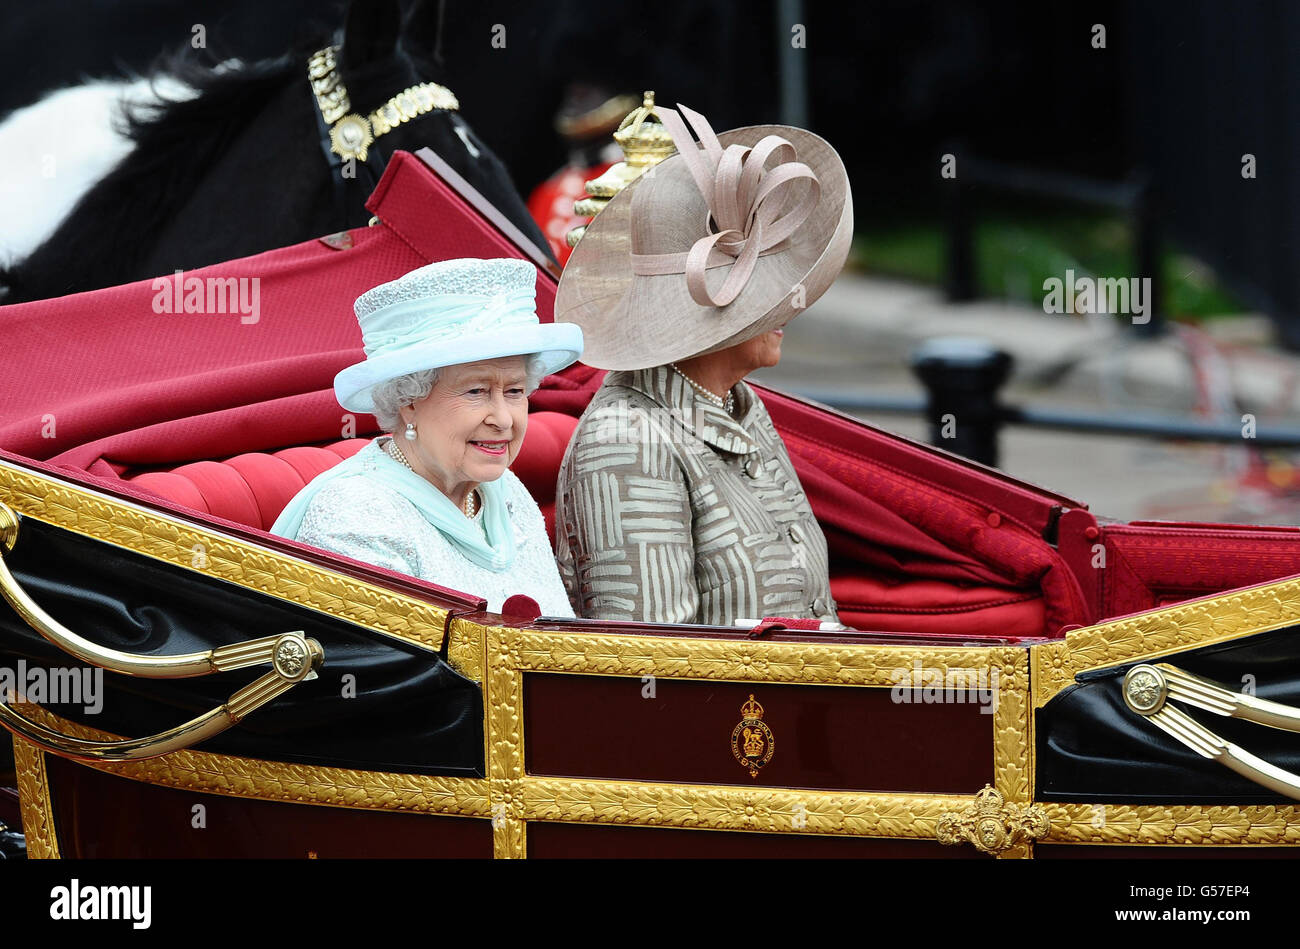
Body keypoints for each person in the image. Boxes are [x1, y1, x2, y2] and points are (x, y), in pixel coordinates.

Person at [552, 104, 853, 627]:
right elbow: (656, 663)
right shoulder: (627, 439)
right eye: (762, 291)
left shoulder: (741, 405)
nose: (788, 305)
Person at [272, 257, 583, 616]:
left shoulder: (503, 489)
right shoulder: (357, 516)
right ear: (408, 401)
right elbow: (393, 670)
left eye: (514, 391)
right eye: (476, 392)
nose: (503, 419)